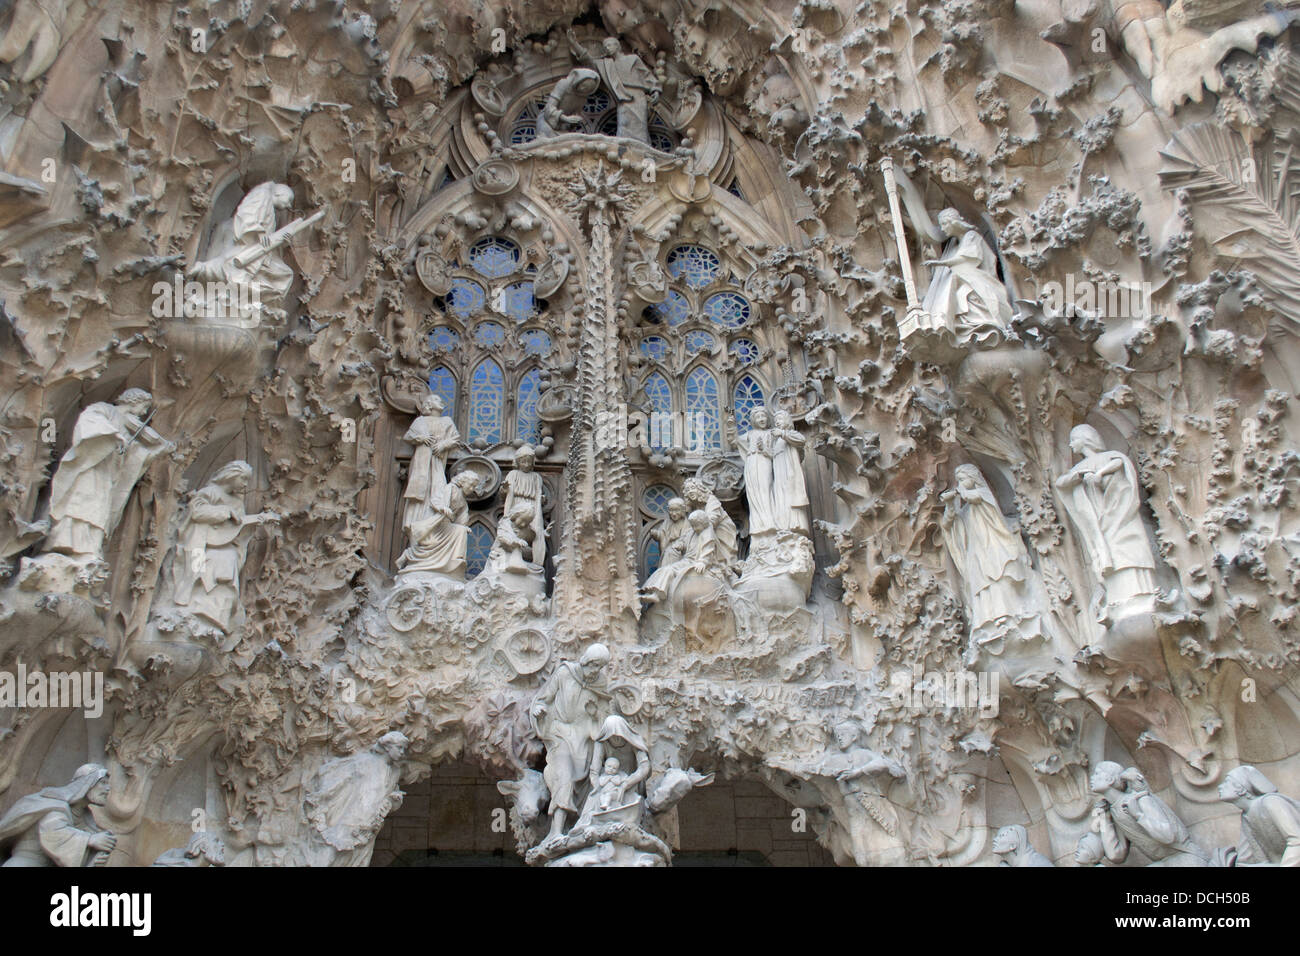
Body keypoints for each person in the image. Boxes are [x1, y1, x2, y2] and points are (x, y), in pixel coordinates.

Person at [44, 389, 172, 562]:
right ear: (133, 401)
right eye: (143, 407)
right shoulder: (104, 409)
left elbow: (133, 456)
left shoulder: (130, 426)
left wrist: (155, 450)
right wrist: (113, 434)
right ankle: (64, 542)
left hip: (108, 474)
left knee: (100, 509)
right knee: (80, 501)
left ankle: (90, 549)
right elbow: (89, 422)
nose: (143, 412)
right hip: (90, 467)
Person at [172, 461, 281, 633]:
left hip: (223, 545)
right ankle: (191, 604)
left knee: (227, 561)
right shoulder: (210, 492)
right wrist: (224, 512)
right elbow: (196, 512)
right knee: (199, 566)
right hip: (199, 540)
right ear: (230, 476)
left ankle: (215, 613)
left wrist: (254, 521)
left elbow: (235, 528)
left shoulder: (237, 502)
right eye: (243, 479)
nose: (245, 484)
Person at [940, 464, 1033, 640]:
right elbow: (948, 524)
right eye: (958, 480)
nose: (961, 483)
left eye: (963, 479)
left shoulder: (983, 495)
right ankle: (988, 621)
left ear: (974, 478)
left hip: (993, 547)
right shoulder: (966, 511)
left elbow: (975, 498)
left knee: (999, 579)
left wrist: (958, 492)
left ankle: (1010, 615)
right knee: (983, 586)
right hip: (977, 553)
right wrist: (950, 506)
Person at [530, 643, 610, 841]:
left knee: (588, 784)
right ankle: (556, 831)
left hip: (584, 738)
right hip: (561, 733)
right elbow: (543, 699)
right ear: (586, 661)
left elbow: (605, 716)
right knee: (563, 776)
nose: (595, 672)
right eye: (594, 666)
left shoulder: (600, 683)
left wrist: (595, 715)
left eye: (599, 668)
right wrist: (538, 710)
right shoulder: (565, 674)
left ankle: (580, 827)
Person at [921, 209, 1014, 348]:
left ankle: (972, 326)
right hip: (969, 280)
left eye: (945, 224)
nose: (942, 228)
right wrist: (935, 259)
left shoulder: (971, 236)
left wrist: (940, 262)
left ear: (954, 223)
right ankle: (955, 327)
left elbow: (968, 259)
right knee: (958, 292)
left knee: (963, 290)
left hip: (980, 281)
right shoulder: (954, 245)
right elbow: (950, 270)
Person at [1089, 761, 1209, 866]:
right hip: (1165, 862)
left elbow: (1168, 836)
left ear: (1110, 780)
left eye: (1097, 773)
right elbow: (1116, 855)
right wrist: (1104, 820)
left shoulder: (1139, 798)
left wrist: (1139, 816)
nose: (1092, 777)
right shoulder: (1115, 811)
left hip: (1187, 857)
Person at [0, 764, 116, 866]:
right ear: (87, 783)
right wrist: (90, 840)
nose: (108, 788)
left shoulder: (85, 818)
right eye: (103, 783)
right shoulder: (54, 803)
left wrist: (94, 859)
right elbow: (53, 834)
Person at [397, 471, 477, 577]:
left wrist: (464, 526)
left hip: (447, 525)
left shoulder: (463, 502)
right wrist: (442, 507)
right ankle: (409, 555)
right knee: (430, 543)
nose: (472, 489)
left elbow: (461, 519)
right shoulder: (451, 488)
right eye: (471, 485)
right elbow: (435, 500)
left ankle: (456, 560)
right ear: (463, 482)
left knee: (461, 531)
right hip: (438, 523)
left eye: (474, 487)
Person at [401, 393, 461, 533]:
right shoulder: (420, 421)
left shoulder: (447, 421)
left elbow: (455, 439)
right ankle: (417, 522)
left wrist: (443, 445)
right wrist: (420, 437)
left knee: (438, 486)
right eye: (435, 399)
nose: (440, 400)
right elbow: (408, 436)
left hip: (437, 460)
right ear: (428, 404)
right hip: (421, 463)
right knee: (421, 489)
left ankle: (436, 520)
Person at [1217, 765, 1300, 866]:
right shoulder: (1247, 816)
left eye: (1226, 782)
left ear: (1241, 789)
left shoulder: (1271, 801)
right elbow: (1246, 861)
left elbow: (1297, 841)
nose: (1220, 786)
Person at [502, 445, 546, 565]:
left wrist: (540, 500)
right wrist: (505, 489)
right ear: (518, 462)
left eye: (529, 462)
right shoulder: (513, 474)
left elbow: (538, 493)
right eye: (523, 462)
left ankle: (532, 560)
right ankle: (511, 557)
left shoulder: (536, 477)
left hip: (532, 506)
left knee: (531, 532)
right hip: (516, 504)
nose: (526, 464)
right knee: (515, 530)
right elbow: (506, 494)